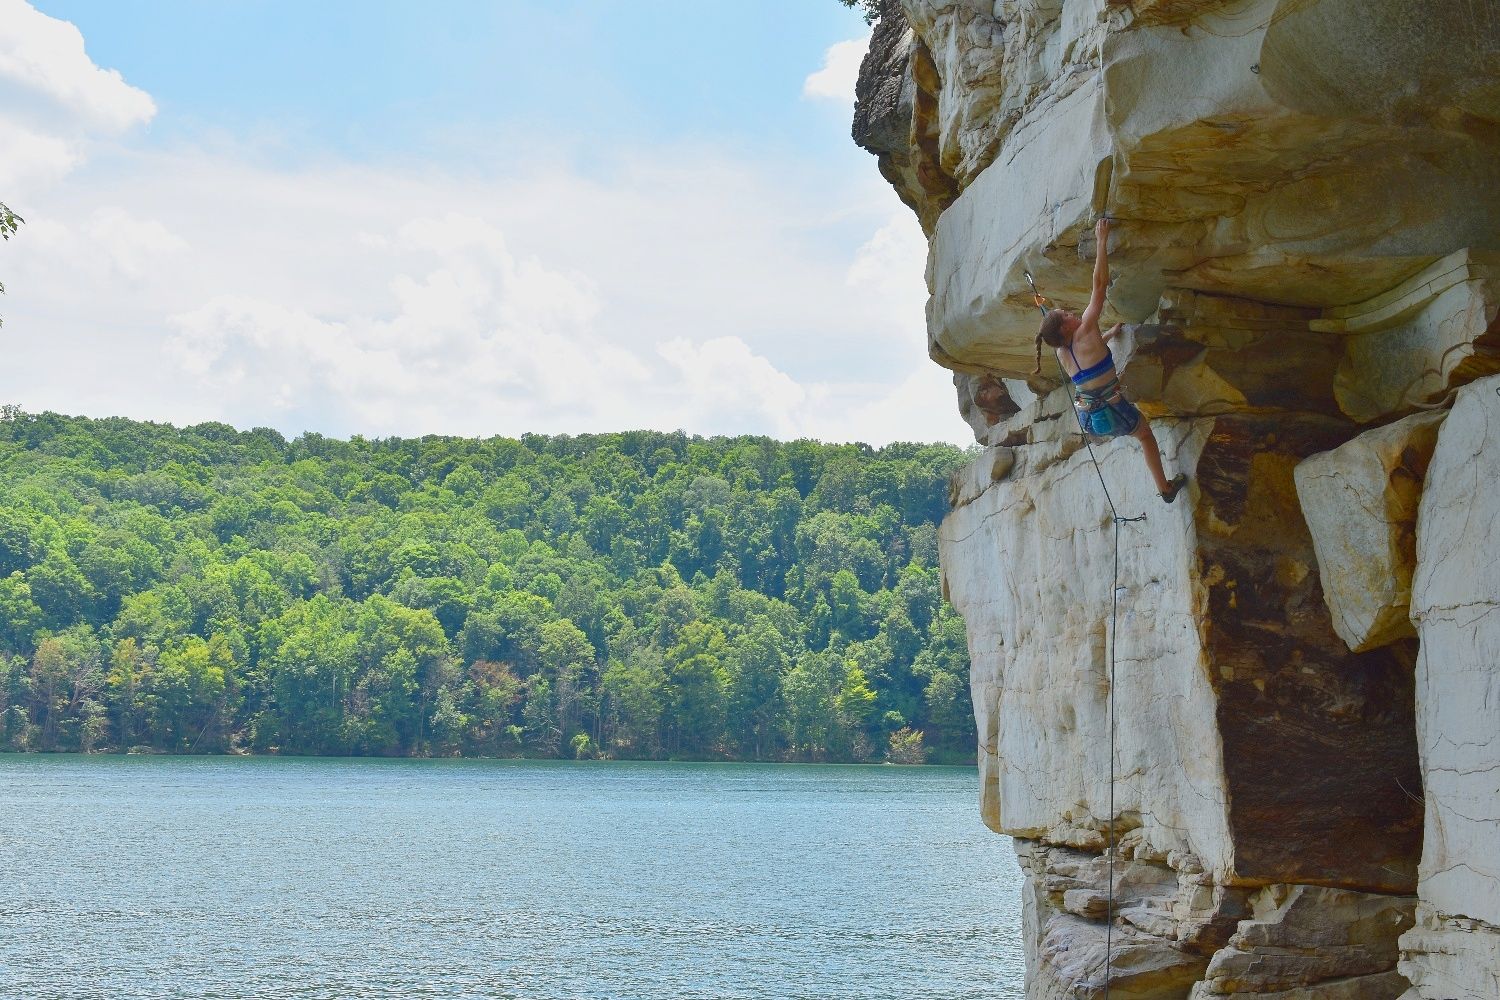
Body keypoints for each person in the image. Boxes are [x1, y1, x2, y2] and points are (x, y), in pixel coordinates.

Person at [1032, 216, 1188, 503]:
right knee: (1145, 436)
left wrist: (1108, 335)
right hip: (1112, 411)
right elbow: (1100, 285)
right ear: (1066, 328)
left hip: (1089, 420)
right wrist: (1102, 240)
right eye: (1067, 315)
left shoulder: (1062, 351)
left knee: (1124, 421)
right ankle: (1165, 489)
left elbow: (1089, 358)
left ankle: (1163, 485)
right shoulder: (1086, 330)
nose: (1072, 314)